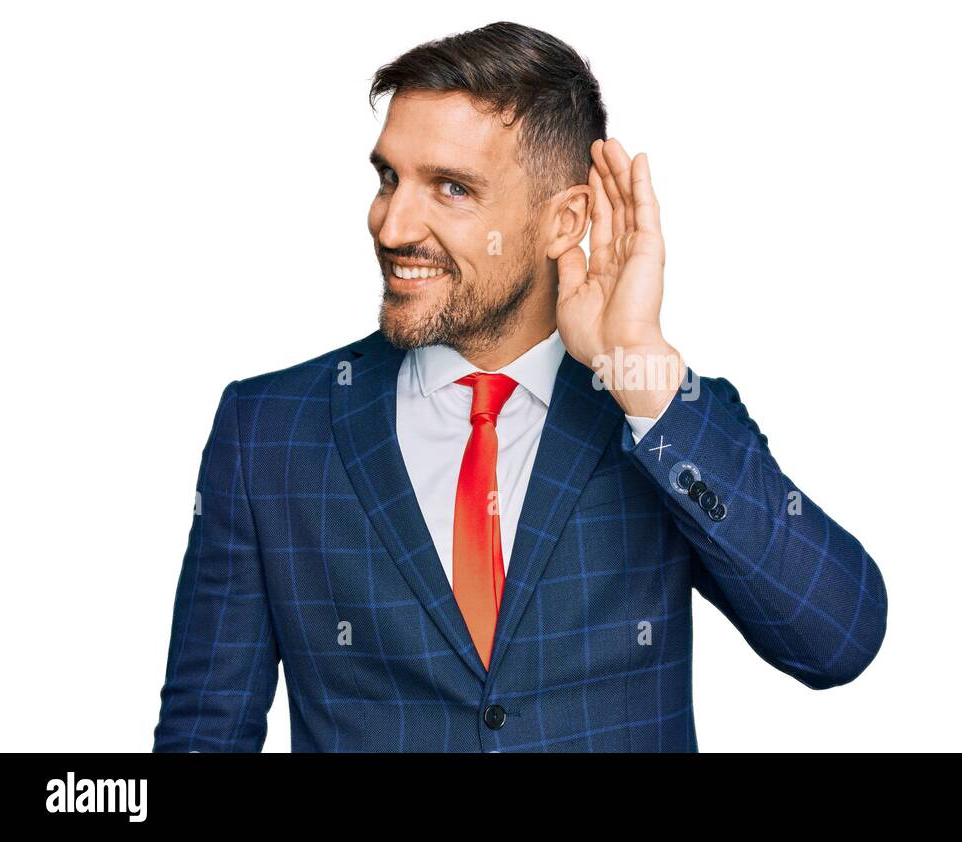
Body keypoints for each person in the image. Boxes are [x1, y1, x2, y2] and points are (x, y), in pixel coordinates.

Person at [153, 20, 887, 752]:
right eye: (389, 177)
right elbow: (202, 735)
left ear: (563, 220)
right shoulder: (267, 431)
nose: (391, 224)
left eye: (451, 188)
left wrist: (643, 381)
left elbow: (837, 639)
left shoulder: (667, 418)